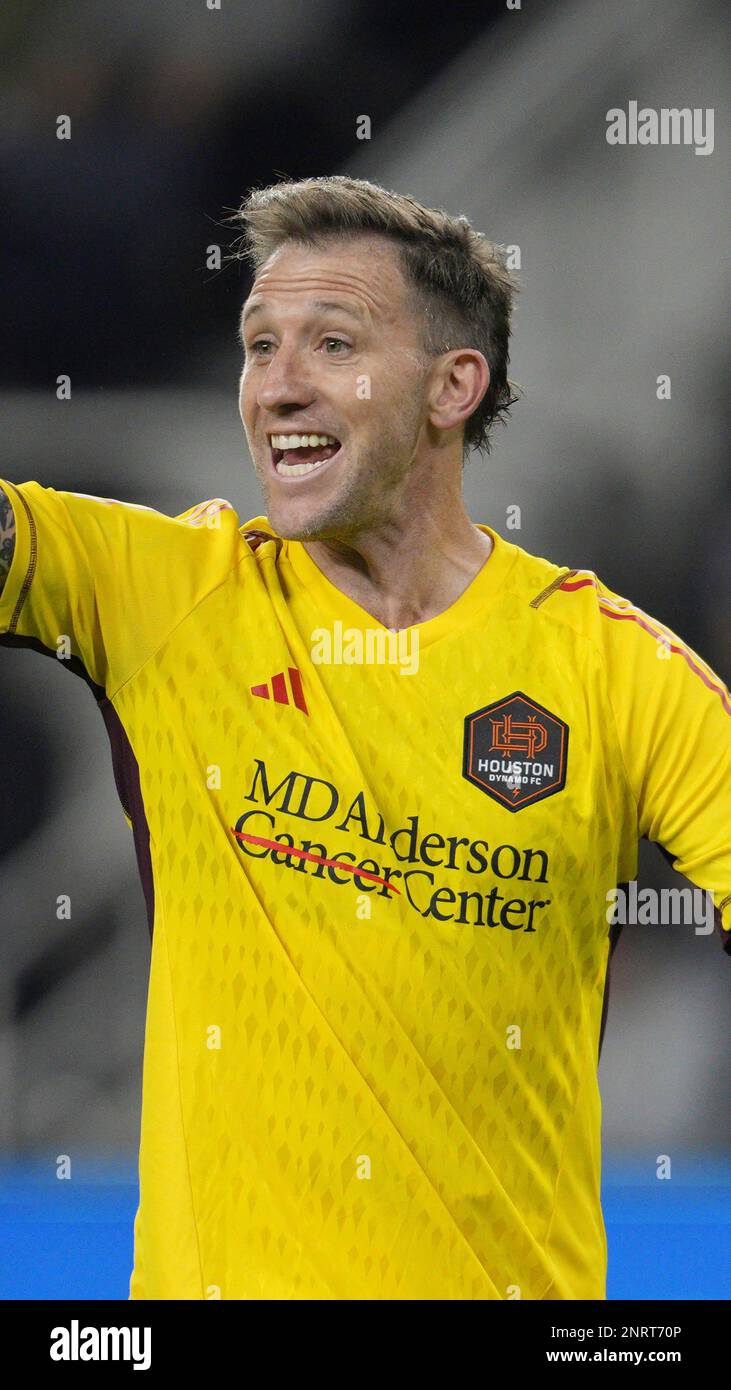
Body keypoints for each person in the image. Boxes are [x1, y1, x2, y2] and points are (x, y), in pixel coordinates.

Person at [1, 175, 729, 1301]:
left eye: (330, 343)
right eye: (257, 345)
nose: (275, 387)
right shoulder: (161, 593)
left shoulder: (614, 670)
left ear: (453, 386)